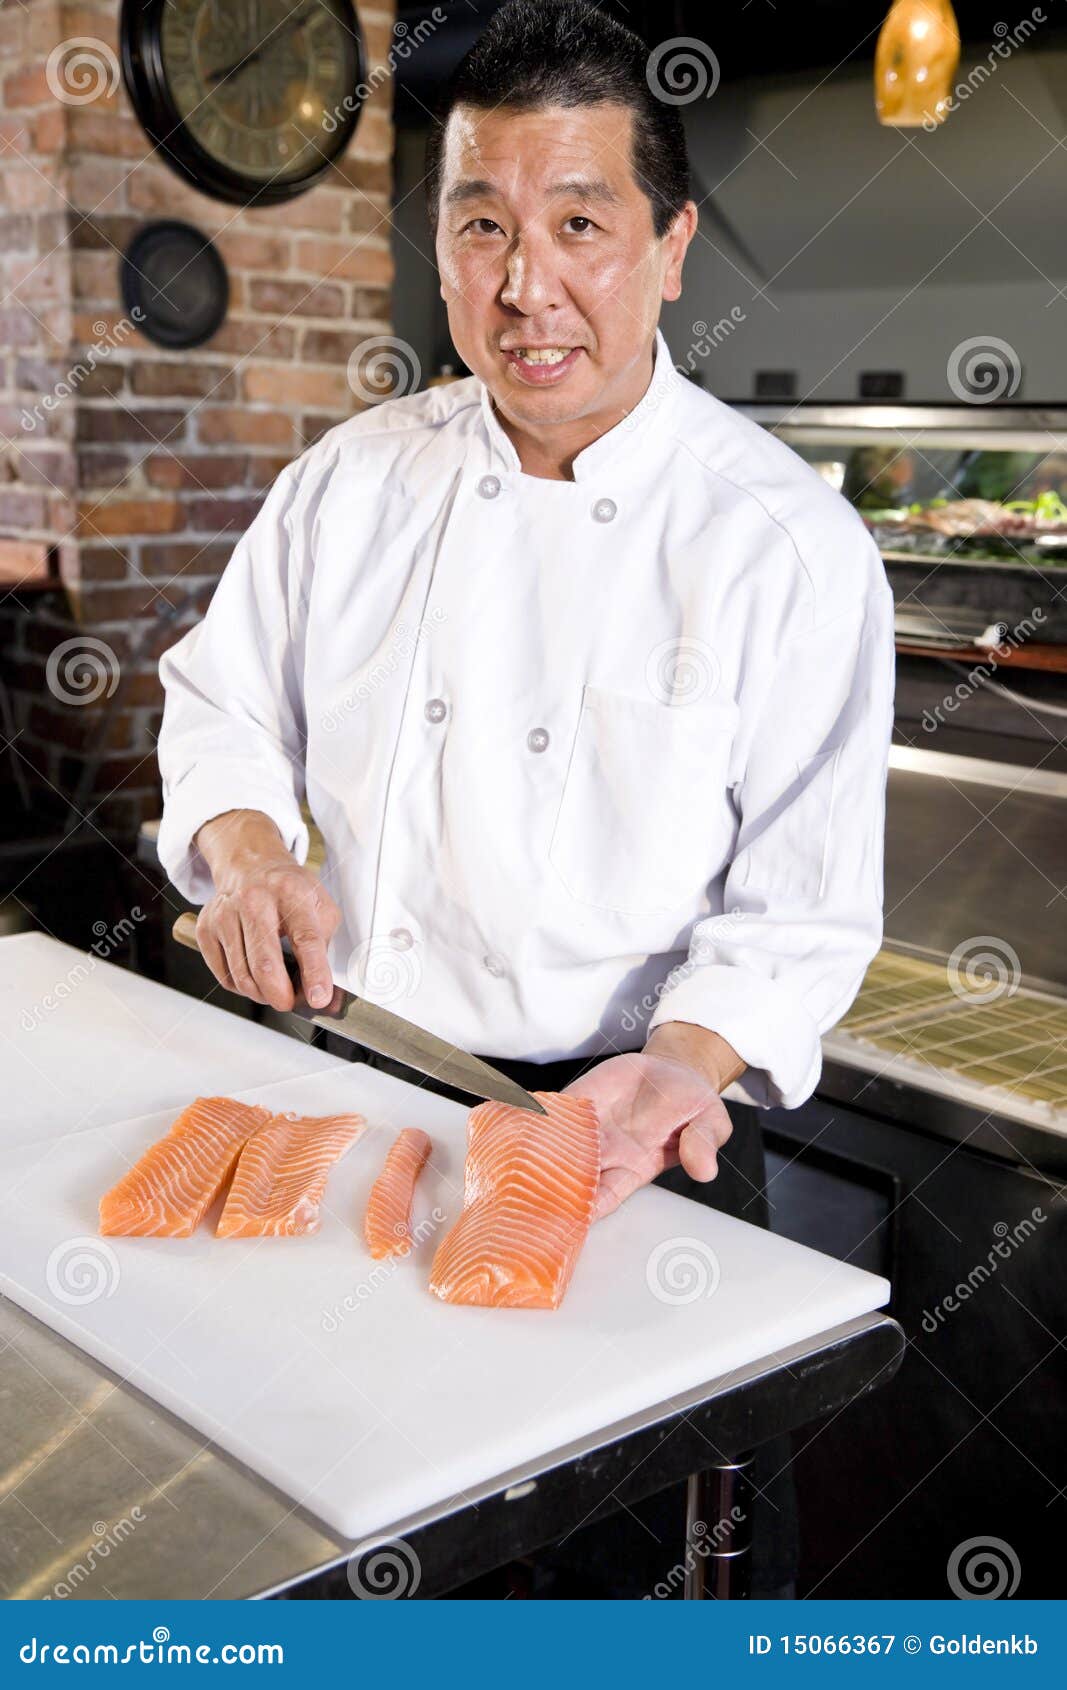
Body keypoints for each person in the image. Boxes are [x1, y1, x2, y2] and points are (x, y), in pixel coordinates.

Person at [156, 0, 894, 1598]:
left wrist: (682, 1061)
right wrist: (250, 849)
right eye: (480, 224)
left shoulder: (783, 544)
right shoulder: (348, 482)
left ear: (673, 243)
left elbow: (801, 911)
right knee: (358, 1542)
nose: (524, 284)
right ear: (438, 243)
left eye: (580, 224)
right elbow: (218, 702)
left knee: (625, 1582)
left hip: (625, 1134)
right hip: (358, 1088)